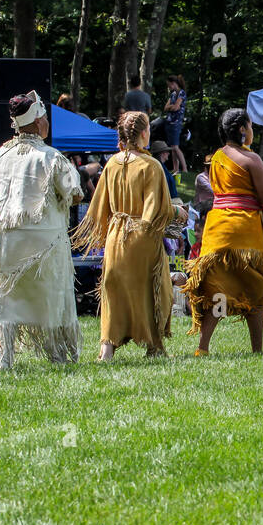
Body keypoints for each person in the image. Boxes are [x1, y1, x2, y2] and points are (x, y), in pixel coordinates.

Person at [183, 108, 263, 355]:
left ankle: (203, 347)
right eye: (251, 125)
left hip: (217, 228)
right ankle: (257, 350)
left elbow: (231, 192)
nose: (253, 130)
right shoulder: (251, 158)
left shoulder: (215, 159)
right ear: (243, 129)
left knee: (218, 288)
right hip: (243, 229)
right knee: (254, 286)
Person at [0, 92, 84, 370]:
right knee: (50, 299)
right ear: (37, 122)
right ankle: (57, 355)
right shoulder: (51, 157)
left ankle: (2, 359)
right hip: (43, 245)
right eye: (44, 118)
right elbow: (74, 192)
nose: (46, 123)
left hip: (4, 242)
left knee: (4, 303)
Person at [76, 110, 183, 360]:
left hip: (116, 235)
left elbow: (99, 204)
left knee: (115, 290)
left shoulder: (112, 163)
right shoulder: (151, 166)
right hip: (142, 236)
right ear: (144, 133)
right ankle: (154, 346)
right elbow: (157, 208)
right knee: (152, 290)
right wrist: (178, 211)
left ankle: (107, 349)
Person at [162, 75, 188, 173]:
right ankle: (175, 168)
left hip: (176, 123)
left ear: (173, 84)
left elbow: (176, 107)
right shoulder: (173, 94)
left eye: (169, 85)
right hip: (169, 122)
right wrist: (171, 107)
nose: (168, 87)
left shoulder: (181, 93)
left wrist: (171, 107)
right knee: (172, 147)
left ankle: (184, 168)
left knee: (175, 147)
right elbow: (166, 107)